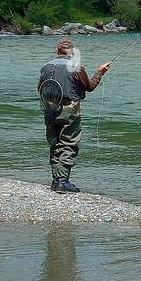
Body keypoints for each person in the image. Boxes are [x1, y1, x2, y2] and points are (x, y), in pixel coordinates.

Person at [38, 37, 110, 193]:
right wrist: (100, 72)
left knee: (55, 142)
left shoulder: (45, 67)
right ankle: (62, 181)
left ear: (57, 51)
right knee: (68, 143)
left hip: (49, 108)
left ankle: (56, 179)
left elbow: (40, 87)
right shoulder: (76, 67)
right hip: (69, 108)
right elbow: (89, 87)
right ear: (72, 52)